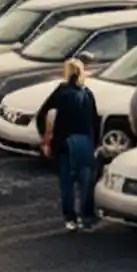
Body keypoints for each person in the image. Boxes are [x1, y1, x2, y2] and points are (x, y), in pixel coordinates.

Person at [36, 59, 100, 231]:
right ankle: (86, 218)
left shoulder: (61, 92)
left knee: (67, 183)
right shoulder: (88, 93)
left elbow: (43, 113)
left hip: (64, 142)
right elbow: (95, 121)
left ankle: (69, 218)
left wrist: (45, 138)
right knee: (86, 183)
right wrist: (96, 144)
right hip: (85, 142)